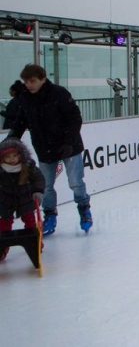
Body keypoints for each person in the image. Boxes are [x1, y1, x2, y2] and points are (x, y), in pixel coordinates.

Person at [7, 64, 92, 235]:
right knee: (45, 186)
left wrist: (69, 142)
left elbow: (75, 118)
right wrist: (10, 141)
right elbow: (21, 122)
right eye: (26, 81)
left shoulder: (59, 93)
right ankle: (50, 215)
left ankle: (84, 209)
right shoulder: (25, 98)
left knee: (75, 182)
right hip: (44, 147)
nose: (29, 85)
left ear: (43, 79)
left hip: (69, 146)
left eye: (33, 81)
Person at [0, 138, 44, 261]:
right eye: (8, 157)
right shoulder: (1, 169)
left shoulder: (28, 166)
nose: (12, 159)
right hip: (6, 199)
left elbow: (38, 179)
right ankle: (3, 246)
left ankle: (34, 242)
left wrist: (38, 191)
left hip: (25, 198)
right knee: (4, 223)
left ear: (20, 155)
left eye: (15, 155)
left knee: (30, 220)